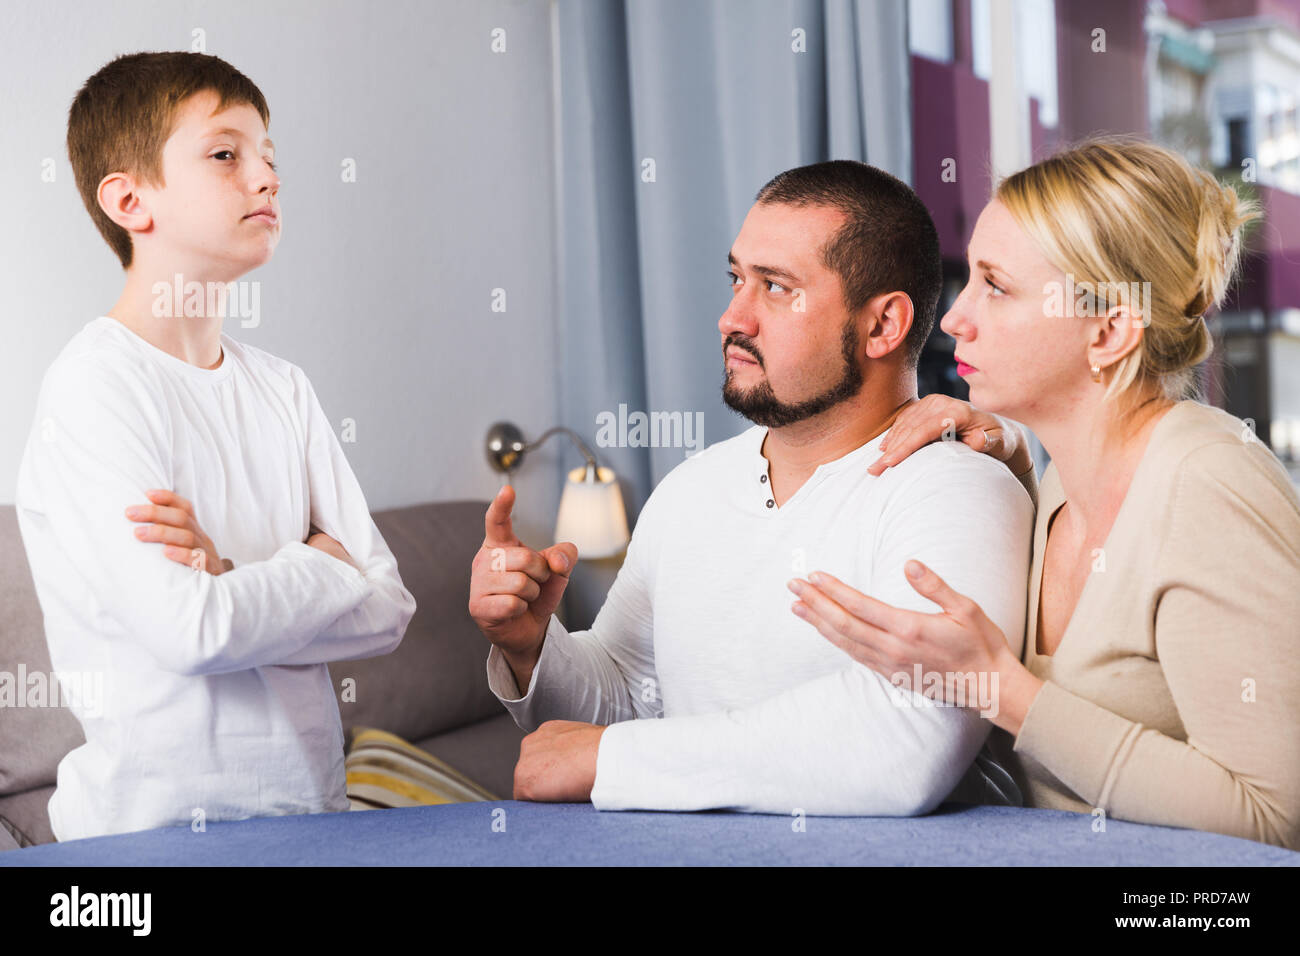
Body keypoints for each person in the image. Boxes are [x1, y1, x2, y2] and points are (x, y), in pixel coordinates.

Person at [468, 160, 1035, 814]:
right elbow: (628, 695)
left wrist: (614, 759)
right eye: (737, 278)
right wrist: (530, 646)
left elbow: (907, 740)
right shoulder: (689, 490)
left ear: (883, 325)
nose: (732, 317)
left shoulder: (953, 488)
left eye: (776, 288)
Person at [790, 137, 1300, 849]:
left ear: (1111, 330)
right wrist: (1013, 471)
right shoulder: (1059, 482)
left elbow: (1276, 819)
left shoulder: (1209, 484)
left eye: (996, 286)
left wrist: (1000, 689)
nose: (954, 319)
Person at [15, 52, 415, 841]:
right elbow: (190, 632)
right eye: (227, 154)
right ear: (129, 199)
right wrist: (320, 565)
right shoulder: (94, 388)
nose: (266, 178)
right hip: (147, 845)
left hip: (314, 826)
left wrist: (230, 578)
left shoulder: (285, 388)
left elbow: (390, 608)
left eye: (269, 158)